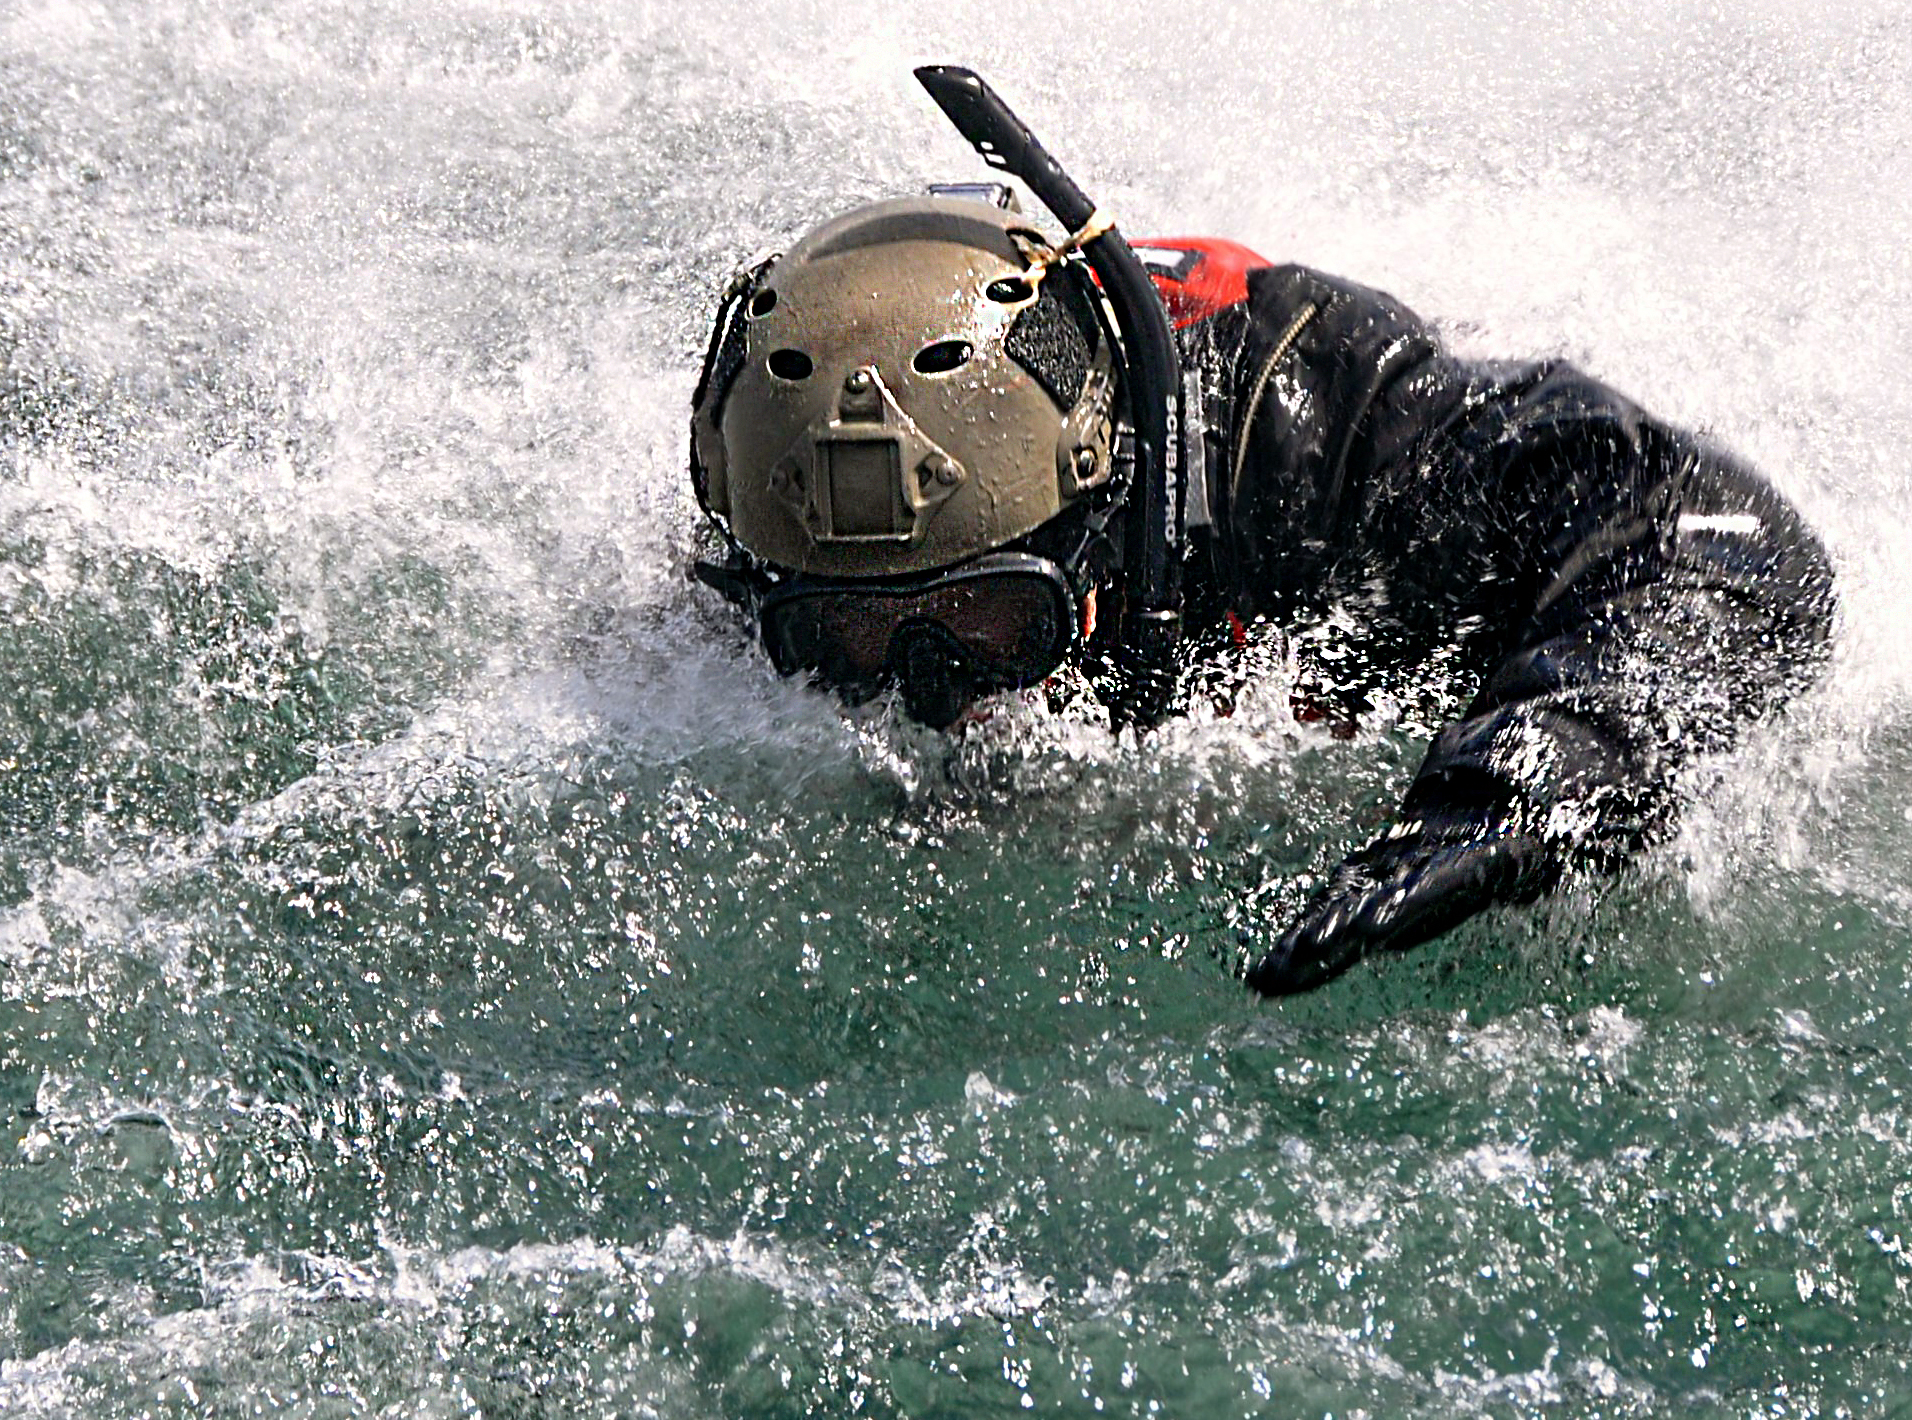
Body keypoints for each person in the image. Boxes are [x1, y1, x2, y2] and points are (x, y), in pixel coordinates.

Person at [686, 70, 1834, 995]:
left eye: (994, 620)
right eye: (844, 639)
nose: (936, 700)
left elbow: (1730, 541)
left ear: (1102, 516)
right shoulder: (769, 513)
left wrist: (1520, 786)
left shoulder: (1331, 446)